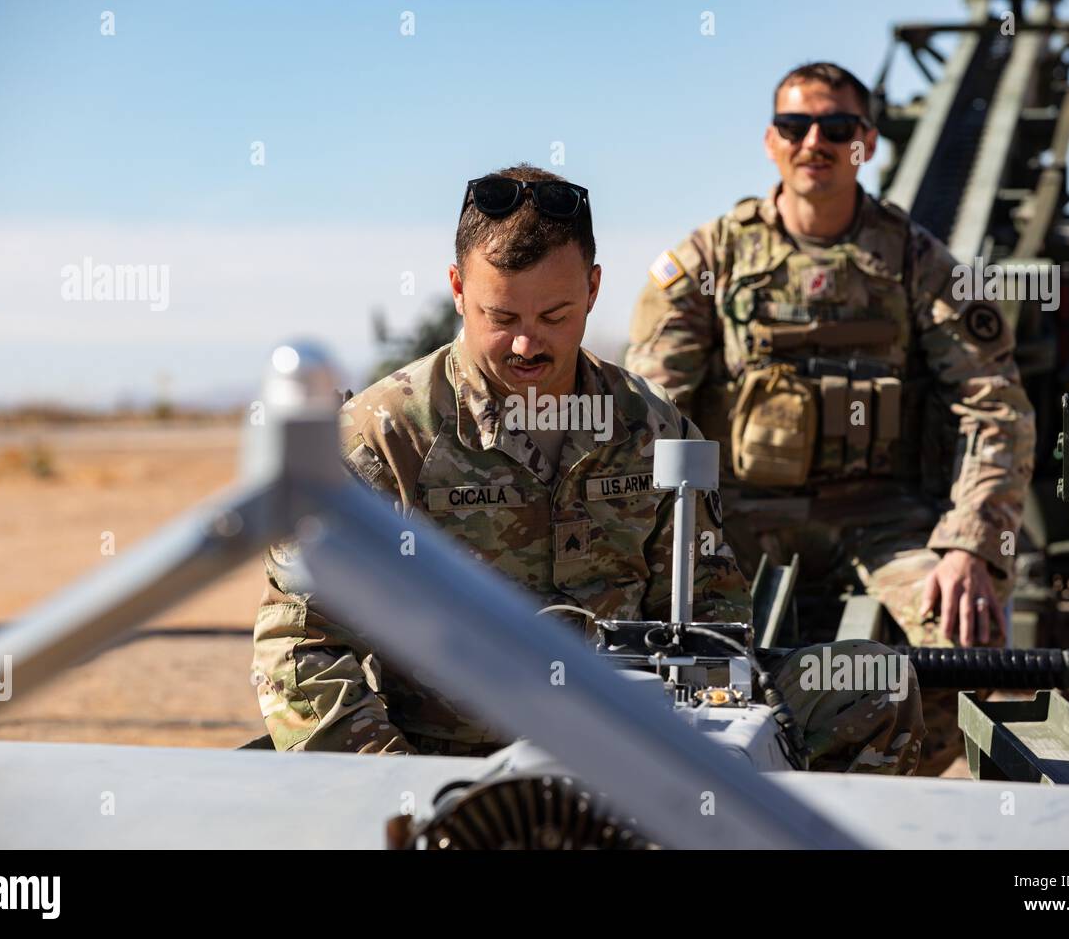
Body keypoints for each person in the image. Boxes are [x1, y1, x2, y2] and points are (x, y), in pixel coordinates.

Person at [251, 163, 923, 774]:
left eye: (554, 315)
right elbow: (299, 645)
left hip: (633, 746)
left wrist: (704, 745)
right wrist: (400, 787)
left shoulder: (651, 427)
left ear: (594, 289)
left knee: (872, 685)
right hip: (453, 767)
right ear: (457, 288)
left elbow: (712, 615)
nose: (525, 343)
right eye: (500, 316)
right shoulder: (380, 438)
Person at [624, 63, 1035, 774]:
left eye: (837, 127)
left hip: (879, 517)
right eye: (795, 126)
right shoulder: (711, 259)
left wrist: (969, 546)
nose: (814, 141)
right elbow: (653, 411)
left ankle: (869, 779)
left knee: (964, 643)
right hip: (737, 514)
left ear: (864, 142)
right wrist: (649, 540)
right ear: (771, 140)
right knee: (661, 643)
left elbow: (995, 405)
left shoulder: (919, 262)